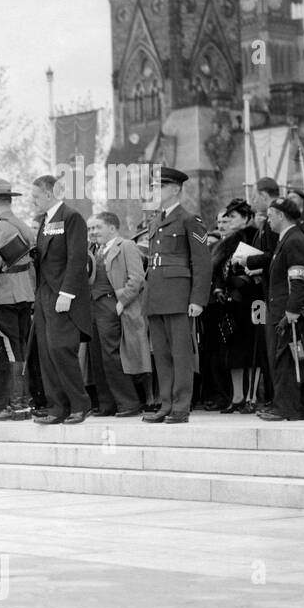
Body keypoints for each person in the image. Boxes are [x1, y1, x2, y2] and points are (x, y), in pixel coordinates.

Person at [141, 167, 210, 424]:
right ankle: (166, 403)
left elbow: (202, 262)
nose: (154, 191)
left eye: (159, 186)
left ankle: (181, 406)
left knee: (181, 354)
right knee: (161, 354)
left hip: (180, 296)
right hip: (157, 295)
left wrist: (197, 299)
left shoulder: (191, 220)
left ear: (175, 189)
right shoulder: (156, 221)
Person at [28, 174, 94, 425]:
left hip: (63, 295)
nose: (33, 201)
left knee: (61, 349)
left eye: (35, 196)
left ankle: (79, 404)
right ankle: (57, 406)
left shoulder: (71, 217)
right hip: (44, 294)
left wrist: (67, 293)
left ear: (48, 193)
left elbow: (77, 259)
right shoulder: (45, 221)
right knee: (46, 352)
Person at [243, 196, 304, 420]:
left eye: (270, 216)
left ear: (281, 216)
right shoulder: (286, 239)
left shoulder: (294, 241)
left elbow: (299, 280)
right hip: (282, 311)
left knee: (289, 362)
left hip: (289, 314)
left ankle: (288, 409)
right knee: (286, 360)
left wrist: (292, 310)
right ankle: (293, 406)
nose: (268, 221)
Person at [0, 180, 36, 420]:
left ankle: (17, 404)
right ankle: (19, 401)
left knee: (12, 351)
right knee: (19, 347)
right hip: (24, 293)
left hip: (5, 296)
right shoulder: (23, 226)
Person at [87, 211, 150, 417]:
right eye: (90, 229)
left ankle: (129, 403)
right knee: (97, 356)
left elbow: (137, 278)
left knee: (113, 355)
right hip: (94, 307)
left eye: (97, 227)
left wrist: (121, 303)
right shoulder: (93, 250)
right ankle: (107, 404)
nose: (93, 232)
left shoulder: (126, 246)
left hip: (112, 305)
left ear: (112, 228)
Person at [203, 200, 261, 413]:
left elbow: (261, 266)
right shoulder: (225, 243)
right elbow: (218, 271)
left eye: (233, 217)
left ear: (246, 218)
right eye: (226, 218)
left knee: (252, 349)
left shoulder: (255, 236)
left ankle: (252, 397)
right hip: (229, 304)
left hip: (252, 301)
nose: (227, 222)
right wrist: (219, 289)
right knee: (233, 351)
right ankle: (237, 397)